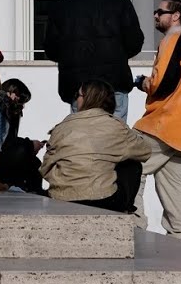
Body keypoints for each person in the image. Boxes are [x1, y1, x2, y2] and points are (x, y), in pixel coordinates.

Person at [132, 0, 181, 240]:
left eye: (159, 12)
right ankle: (180, 236)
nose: (155, 15)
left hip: (162, 124)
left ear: (175, 16)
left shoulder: (173, 40)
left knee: (130, 166)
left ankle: (134, 228)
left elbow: (163, 82)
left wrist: (143, 83)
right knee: (173, 184)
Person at [43, 0, 145, 121]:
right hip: (115, 83)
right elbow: (134, 42)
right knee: (115, 138)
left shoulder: (62, 7)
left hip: (79, 87)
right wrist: (117, 54)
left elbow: (52, 49)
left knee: (84, 139)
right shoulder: (120, 2)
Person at [41, 79, 150, 213]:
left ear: (88, 99)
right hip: (103, 199)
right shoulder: (116, 126)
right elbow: (145, 152)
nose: (76, 100)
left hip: (62, 197)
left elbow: (45, 168)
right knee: (132, 165)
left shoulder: (62, 127)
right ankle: (124, 211)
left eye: (78, 96)